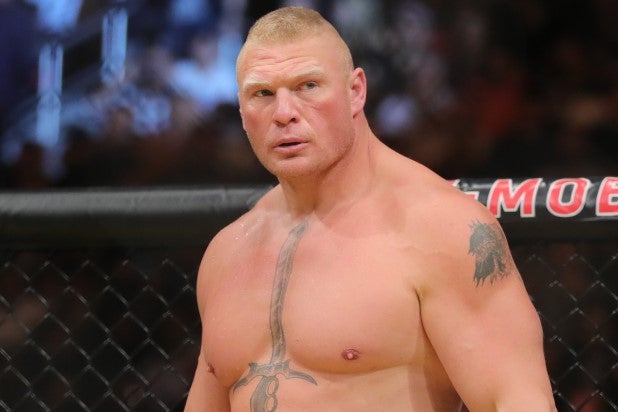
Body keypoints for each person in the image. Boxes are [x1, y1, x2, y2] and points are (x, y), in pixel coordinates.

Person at [185, 6, 557, 411]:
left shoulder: (443, 229)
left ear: (355, 91)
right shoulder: (227, 253)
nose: (284, 113)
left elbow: (518, 400)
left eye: (308, 86)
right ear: (242, 111)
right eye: (263, 94)